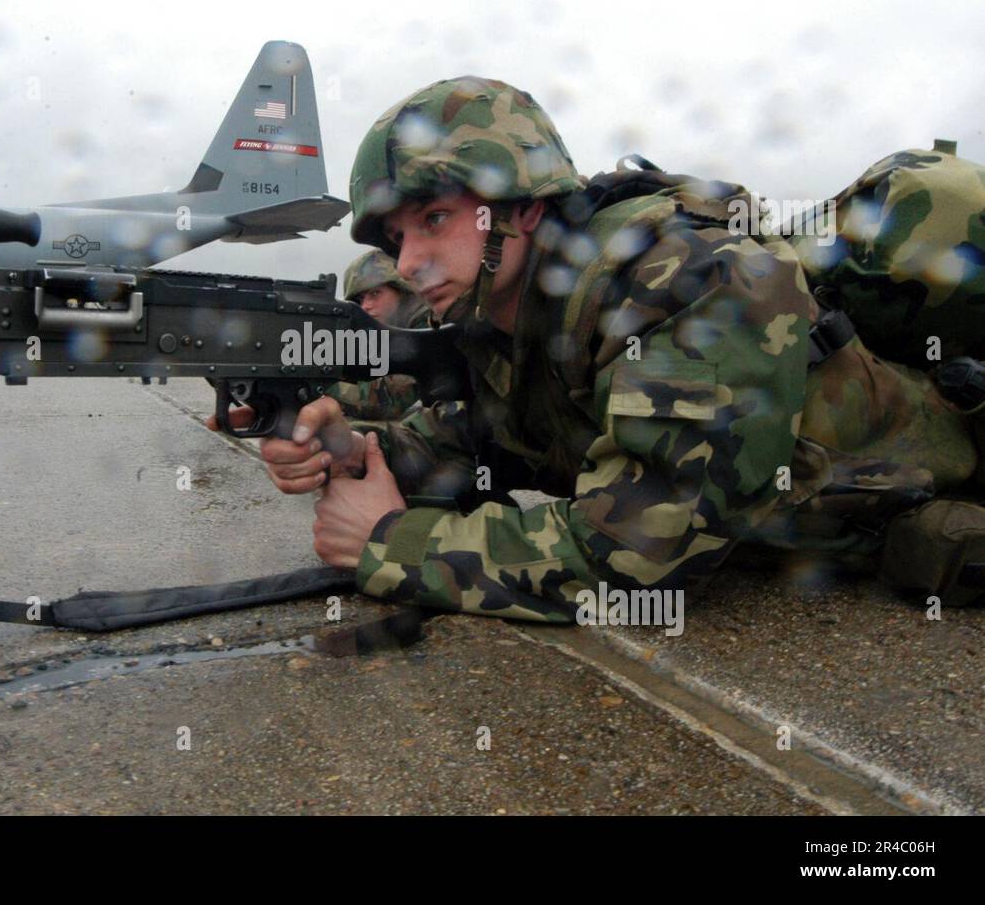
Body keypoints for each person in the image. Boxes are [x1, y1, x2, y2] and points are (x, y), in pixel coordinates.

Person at [210, 76, 985, 618]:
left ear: (522, 209)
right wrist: (354, 453)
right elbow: (480, 442)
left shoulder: (686, 279)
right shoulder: (512, 311)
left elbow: (639, 559)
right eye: (394, 237)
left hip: (920, 488)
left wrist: (392, 545)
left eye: (434, 220)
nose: (409, 261)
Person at [326, 249, 431, 422]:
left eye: (375, 294)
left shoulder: (428, 328)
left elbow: (386, 401)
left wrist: (319, 383)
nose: (365, 306)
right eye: (359, 300)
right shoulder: (384, 335)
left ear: (402, 291)